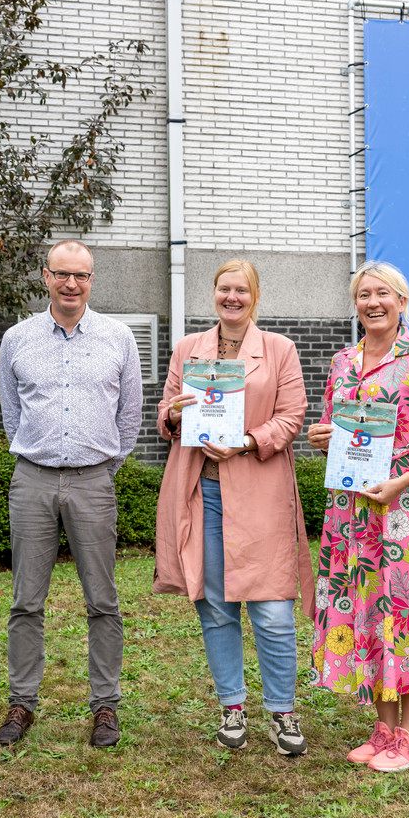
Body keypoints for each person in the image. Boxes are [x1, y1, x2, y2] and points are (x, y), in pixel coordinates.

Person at [306, 261, 409, 772]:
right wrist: (322, 434)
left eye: (382, 294)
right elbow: (336, 426)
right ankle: (383, 727)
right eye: (363, 295)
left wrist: (405, 477)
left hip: (404, 510)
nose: (372, 303)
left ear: (401, 302)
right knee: (369, 613)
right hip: (352, 512)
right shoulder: (342, 361)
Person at [155, 259, 313, 756]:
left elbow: (292, 417)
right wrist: (176, 416)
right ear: (214, 294)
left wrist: (246, 441)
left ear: (255, 296)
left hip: (261, 492)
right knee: (216, 607)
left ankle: (283, 714)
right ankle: (233, 707)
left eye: (241, 290)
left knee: (272, 611)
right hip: (202, 492)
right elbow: (166, 418)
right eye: (224, 289)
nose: (232, 298)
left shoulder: (280, 350)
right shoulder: (187, 350)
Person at [0, 239, 143, 748]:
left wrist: (104, 467)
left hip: (93, 480)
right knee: (25, 601)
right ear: (45, 277)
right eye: (62, 274)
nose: (71, 284)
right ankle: (21, 704)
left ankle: (105, 706)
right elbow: (11, 409)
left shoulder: (119, 337)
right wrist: (37, 456)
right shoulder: (17, 338)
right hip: (32, 479)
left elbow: (130, 415)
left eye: (81, 275)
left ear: (91, 280)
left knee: (102, 599)